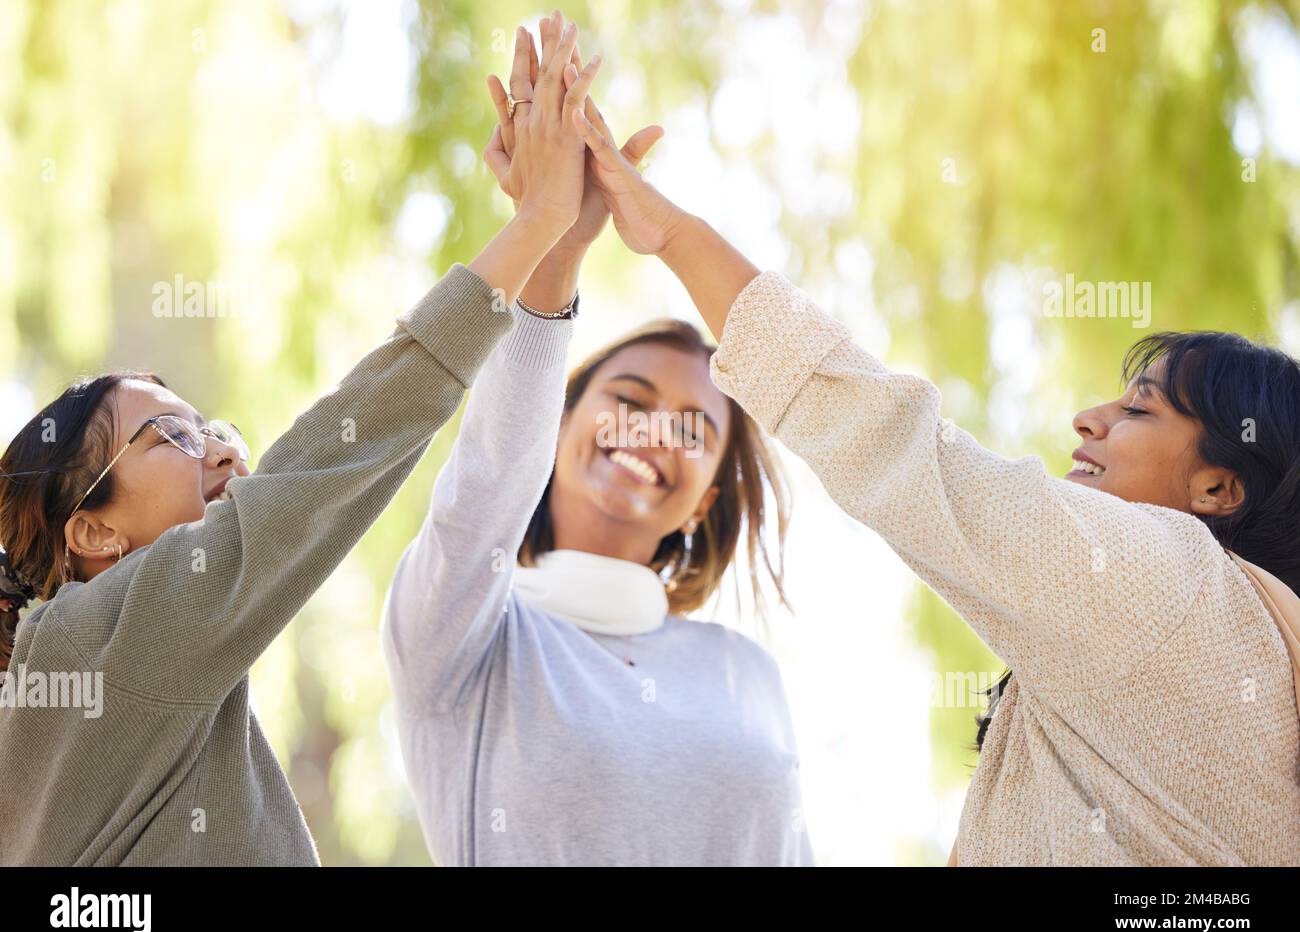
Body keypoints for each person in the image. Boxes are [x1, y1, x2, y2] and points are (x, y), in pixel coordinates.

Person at [565, 62, 1300, 865]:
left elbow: (902, 450)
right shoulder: (1196, 659)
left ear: (1219, 488)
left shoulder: (1177, 590)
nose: (1088, 419)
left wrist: (673, 235)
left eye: (1139, 408)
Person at [0, 10, 598, 865]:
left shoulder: (110, 696)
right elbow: (315, 475)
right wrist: (535, 223)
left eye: (214, 428)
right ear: (91, 530)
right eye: (171, 435)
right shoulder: (95, 644)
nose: (219, 450)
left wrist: (549, 248)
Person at [380, 19, 813, 866]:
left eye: (693, 427)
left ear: (708, 498)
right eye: (628, 398)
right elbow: (492, 475)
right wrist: (555, 237)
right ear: (558, 420)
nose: (651, 431)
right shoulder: (464, 635)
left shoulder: (746, 675)